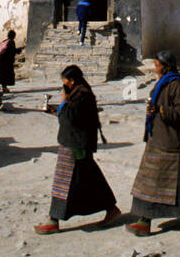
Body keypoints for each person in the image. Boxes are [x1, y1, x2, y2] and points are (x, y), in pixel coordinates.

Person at [125, 50, 180, 236]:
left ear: (166, 66)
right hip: (159, 138)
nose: (154, 68)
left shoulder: (177, 85)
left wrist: (161, 110)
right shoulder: (164, 82)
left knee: (156, 181)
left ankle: (144, 221)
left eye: (157, 65)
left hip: (172, 142)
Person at [35, 65, 120, 234]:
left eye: (65, 81)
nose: (64, 84)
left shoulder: (82, 95)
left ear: (72, 81)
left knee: (63, 181)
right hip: (76, 144)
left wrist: (62, 101)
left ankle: (54, 219)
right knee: (89, 178)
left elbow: (69, 119)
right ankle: (111, 209)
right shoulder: (78, 93)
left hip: (75, 145)